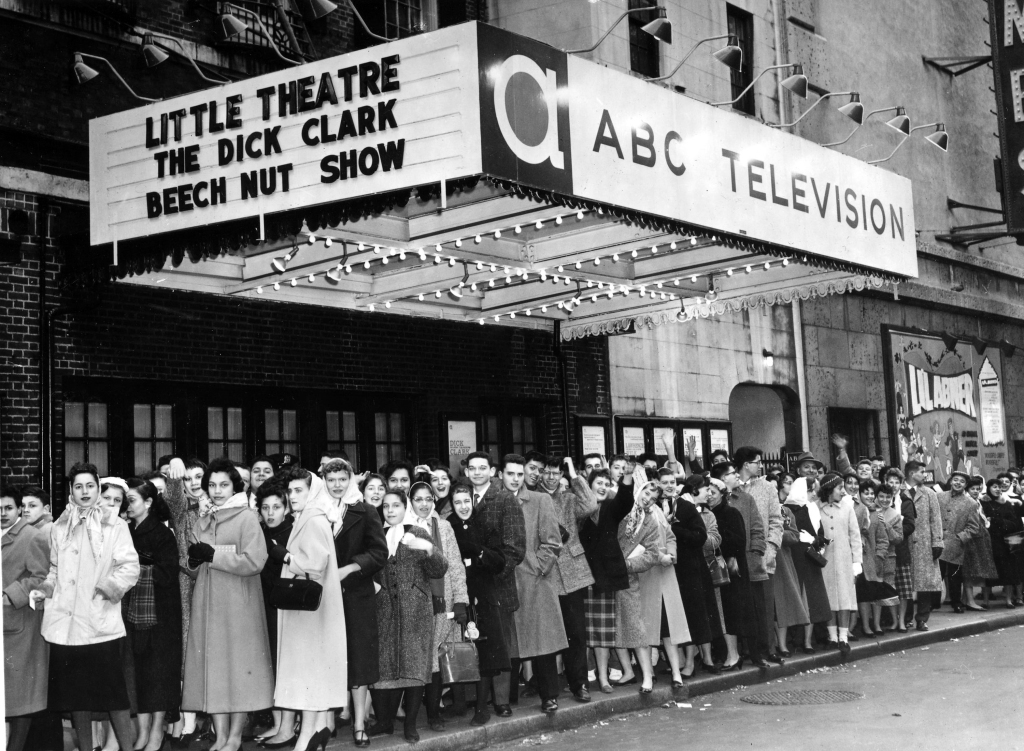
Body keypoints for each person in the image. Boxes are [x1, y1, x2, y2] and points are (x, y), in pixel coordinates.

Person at [29, 463, 140, 751]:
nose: (85, 491)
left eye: (90, 485)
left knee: (114, 693)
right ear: (71, 490)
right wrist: (44, 590)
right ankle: (86, 748)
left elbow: (129, 567)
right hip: (65, 625)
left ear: (98, 487)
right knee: (75, 696)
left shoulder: (115, 525)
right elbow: (54, 569)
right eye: (78, 486)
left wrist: (106, 589)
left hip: (97, 622)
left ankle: (127, 748)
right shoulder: (58, 527)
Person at [181, 458, 274, 751]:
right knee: (214, 672)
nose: (217, 490)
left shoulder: (247, 517)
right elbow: (192, 566)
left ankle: (234, 737)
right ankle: (220, 736)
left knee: (239, 671)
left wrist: (214, 557)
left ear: (235, 485)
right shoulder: (202, 519)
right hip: (208, 604)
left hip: (239, 604)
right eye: (212, 485)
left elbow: (255, 560)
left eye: (223, 484)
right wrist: (193, 562)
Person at [272, 468, 348, 751]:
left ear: (312, 491)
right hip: (311, 612)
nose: (292, 496)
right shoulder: (310, 517)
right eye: (290, 491)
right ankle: (315, 731)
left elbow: (315, 566)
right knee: (311, 674)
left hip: (310, 613)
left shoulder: (313, 520)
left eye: (298, 490)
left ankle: (306, 738)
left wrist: (287, 556)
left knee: (307, 673)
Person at [369, 489, 448, 743]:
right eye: (386, 507)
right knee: (384, 668)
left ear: (406, 508)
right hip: (384, 612)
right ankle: (384, 721)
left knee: (414, 668)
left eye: (396, 506)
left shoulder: (418, 533)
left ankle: (411, 725)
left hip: (416, 613)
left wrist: (427, 548)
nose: (390, 511)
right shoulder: (377, 536)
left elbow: (439, 569)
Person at [325, 459, 387, 748]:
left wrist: (349, 569)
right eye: (331, 479)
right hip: (325, 596)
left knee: (359, 660)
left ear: (350, 479)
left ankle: (360, 725)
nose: (337, 484)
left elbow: (379, 552)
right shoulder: (316, 511)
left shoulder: (366, 510)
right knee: (329, 658)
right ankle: (326, 724)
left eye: (342, 478)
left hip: (356, 595)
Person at [463, 451, 525, 717]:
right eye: (472, 468)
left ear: (492, 471)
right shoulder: (461, 499)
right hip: (469, 585)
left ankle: (501, 701)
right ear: (466, 472)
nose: (477, 472)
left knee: (501, 644)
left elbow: (515, 549)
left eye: (483, 468)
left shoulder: (504, 500)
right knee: (474, 639)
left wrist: (492, 574)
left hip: (497, 583)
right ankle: (473, 700)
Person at [504, 454, 567, 713]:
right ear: (501, 475)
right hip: (504, 580)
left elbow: (553, 542)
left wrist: (538, 567)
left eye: (520, 474)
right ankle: (504, 700)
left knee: (542, 641)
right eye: (511, 474)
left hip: (534, 580)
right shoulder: (492, 502)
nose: (516, 479)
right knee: (508, 641)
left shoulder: (540, 500)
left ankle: (549, 695)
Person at [123, 477, 182, 751]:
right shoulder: (126, 531)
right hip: (133, 612)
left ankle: (157, 732)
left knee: (158, 674)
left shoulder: (161, 534)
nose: (127, 505)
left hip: (159, 614)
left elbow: (169, 574)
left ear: (148, 502)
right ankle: (143, 732)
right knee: (139, 673)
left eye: (132, 500)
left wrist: (140, 566)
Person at [405, 481, 469, 731]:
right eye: (418, 499)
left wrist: (461, 598)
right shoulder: (404, 528)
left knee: (436, 660)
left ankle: (433, 715)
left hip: (442, 602)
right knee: (419, 659)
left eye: (428, 499)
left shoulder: (443, 527)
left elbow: (454, 564)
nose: (423, 504)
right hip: (414, 605)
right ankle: (414, 718)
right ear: (410, 502)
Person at [535, 455, 597, 704]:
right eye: (547, 473)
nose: (551, 478)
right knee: (548, 636)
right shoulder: (534, 498)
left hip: (572, 574)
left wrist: (574, 475)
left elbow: (591, 506)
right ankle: (549, 693)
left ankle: (579, 684)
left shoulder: (570, 498)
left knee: (577, 634)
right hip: (546, 574)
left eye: (556, 473)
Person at [448, 483, 508, 726]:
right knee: (456, 647)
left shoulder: (485, 524)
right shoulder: (448, 525)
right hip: (458, 595)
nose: (463, 507)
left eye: (466, 501)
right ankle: (460, 702)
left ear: (472, 500)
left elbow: (499, 561)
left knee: (484, 652)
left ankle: (482, 707)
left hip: (482, 596)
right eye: (457, 502)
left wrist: (478, 553)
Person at [578, 468, 634, 692]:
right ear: (588, 486)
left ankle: (603, 678)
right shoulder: (579, 509)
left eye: (605, 483)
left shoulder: (611, 508)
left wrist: (627, 476)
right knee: (580, 631)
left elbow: (625, 501)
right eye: (597, 483)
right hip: (580, 577)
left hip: (604, 577)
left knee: (601, 632)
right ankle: (581, 679)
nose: (601, 487)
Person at [2, 485, 50, 751]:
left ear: (19, 508)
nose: (3, 514)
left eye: (8, 508)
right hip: (4, 626)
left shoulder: (31, 536)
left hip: (19, 625)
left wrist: (10, 595)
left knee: (20, 698)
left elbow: (41, 577)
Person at [708, 465, 766, 669]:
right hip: (717, 570)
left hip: (732, 571)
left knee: (733, 614)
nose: (709, 495)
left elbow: (739, 540)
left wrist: (717, 544)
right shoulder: (708, 513)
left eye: (713, 492)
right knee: (724, 614)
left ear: (722, 494)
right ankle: (730, 655)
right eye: (707, 492)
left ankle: (735, 656)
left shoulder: (730, 512)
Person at [637, 475, 690, 688]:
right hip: (645, 576)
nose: (649, 498)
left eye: (654, 495)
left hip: (666, 575)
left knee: (669, 628)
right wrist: (661, 557)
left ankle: (676, 673)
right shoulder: (632, 515)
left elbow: (670, 536)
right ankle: (648, 677)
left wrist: (672, 554)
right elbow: (636, 545)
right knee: (646, 630)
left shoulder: (658, 512)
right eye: (646, 493)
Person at [734, 446, 784, 664]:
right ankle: (746, 650)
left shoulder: (767, 487)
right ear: (746, 464)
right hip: (737, 556)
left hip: (762, 556)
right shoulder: (731, 486)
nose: (761, 465)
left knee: (764, 605)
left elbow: (776, 520)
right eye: (757, 462)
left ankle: (768, 649)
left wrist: (771, 548)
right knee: (741, 605)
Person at [254, 477, 293, 746]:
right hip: (264, 606)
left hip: (289, 607)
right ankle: (279, 723)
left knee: (287, 667)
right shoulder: (257, 531)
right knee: (272, 668)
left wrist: (279, 551)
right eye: (265, 508)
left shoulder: (295, 530)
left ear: (286, 508)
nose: (270, 513)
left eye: (276, 507)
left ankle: (288, 728)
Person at [671, 476, 721, 676]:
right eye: (705, 489)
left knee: (699, 614)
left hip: (693, 568)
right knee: (696, 615)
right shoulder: (684, 506)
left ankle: (700, 661)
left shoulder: (685, 506)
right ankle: (695, 662)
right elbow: (700, 536)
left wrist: (675, 529)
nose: (709, 493)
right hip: (688, 569)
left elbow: (700, 536)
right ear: (693, 490)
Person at [782, 478, 832, 652]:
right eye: (812, 490)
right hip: (794, 556)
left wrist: (815, 540)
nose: (815, 494)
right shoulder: (787, 509)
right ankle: (795, 640)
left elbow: (820, 534)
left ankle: (807, 641)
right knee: (796, 596)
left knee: (810, 599)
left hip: (809, 557)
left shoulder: (812, 508)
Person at [815, 473, 862, 655]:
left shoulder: (847, 508)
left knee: (844, 598)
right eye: (839, 488)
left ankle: (843, 637)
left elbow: (855, 536)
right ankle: (832, 637)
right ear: (829, 489)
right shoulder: (817, 508)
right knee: (829, 598)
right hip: (825, 560)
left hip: (844, 559)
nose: (843, 492)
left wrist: (857, 561)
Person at [903, 461, 943, 630]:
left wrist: (937, 542)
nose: (924, 474)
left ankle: (922, 618)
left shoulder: (929, 493)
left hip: (925, 544)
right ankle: (905, 617)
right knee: (905, 582)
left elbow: (936, 518)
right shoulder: (899, 491)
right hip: (905, 543)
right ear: (912, 473)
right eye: (921, 471)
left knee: (925, 583)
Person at [937, 471, 983, 614]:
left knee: (954, 576)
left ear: (965, 485)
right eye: (955, 480)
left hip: (956, 545)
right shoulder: (939, 497)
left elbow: (974, 527)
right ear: (950, 481)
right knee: (936, 574)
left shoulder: (970, 503)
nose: (958, 483)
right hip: (937, 542)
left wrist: (960, 538)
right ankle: (933, 603)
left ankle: (956, 603)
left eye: (962, 482)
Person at [981, 477, 1024, 607]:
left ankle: (1008, 600)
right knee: (988, 572)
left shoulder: (1006, 503)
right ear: (988, 488)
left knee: (1008, 572)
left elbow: (1013, 524)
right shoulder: (983, 503)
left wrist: (996, 521)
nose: (998, 489)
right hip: (988, 541)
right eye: (994, 487)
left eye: (999, 487)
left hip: (1005, 542)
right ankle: (986, 600)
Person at [853, 480, 889, 636]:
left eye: (871, 493)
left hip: (874, 560)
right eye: (865, 493)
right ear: (859, 494)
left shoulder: (877, 514)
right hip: (859, 560)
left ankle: (877, 624)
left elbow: (883, 539)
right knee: (863, 595)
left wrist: (880, 556)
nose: (869, 496)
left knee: (876, 594)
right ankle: (866, 626)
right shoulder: (854, 511)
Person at [962, 476, 998, 609]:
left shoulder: (977, 501)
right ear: (967, 490)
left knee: (973, 570)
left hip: (980, 538)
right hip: (972, 539)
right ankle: (969, 601)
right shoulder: (968, 502)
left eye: (978, 489)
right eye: (973, 489)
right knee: (969, 571)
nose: (976, 491)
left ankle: (966, 599)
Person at [872, 485, 904, 631]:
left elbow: (898, 538)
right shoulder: (870, 510)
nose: (884, 500)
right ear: (876, 497)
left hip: (889, 556)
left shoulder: (895, 515)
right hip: (873, 557)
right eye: (881, 496)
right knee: (875, 589)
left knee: (890, 589)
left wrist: (886, 525)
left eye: (888, 497)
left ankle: (895, 621)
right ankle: (876, 624)